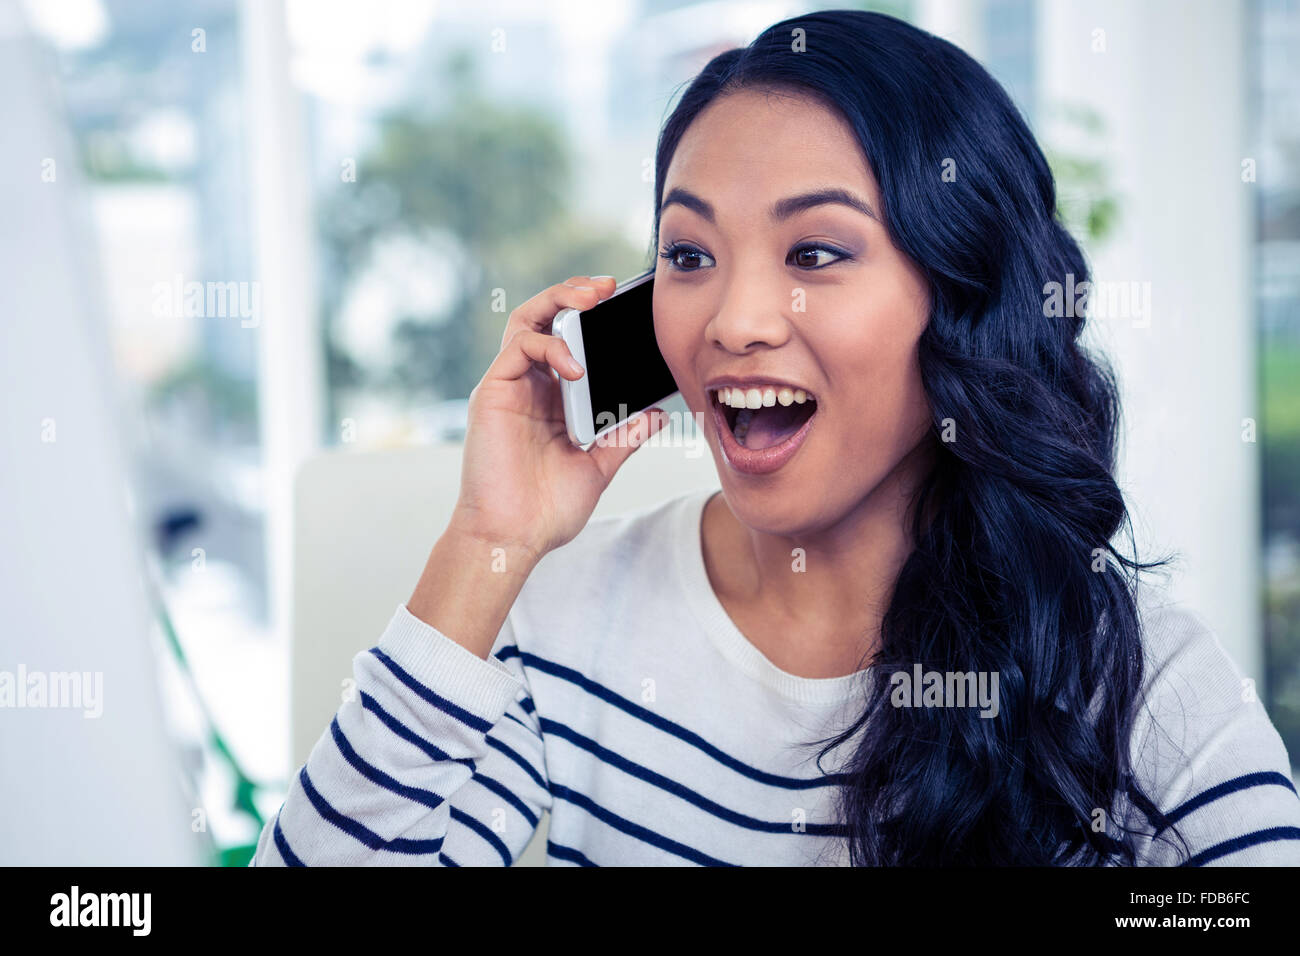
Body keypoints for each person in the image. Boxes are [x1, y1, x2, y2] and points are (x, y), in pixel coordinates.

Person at [252, 9, 1300, 866]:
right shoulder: (564, 625)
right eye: (688, 252)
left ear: (962, 294)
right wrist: (487, 542)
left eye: (814, 249)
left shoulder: (1131, 673)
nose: (733, 320)